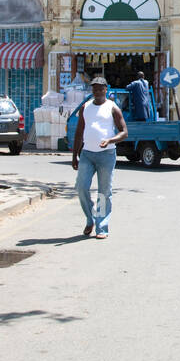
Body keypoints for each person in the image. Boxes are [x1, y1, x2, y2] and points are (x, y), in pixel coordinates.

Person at [72, 76, 128, 239]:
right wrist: (75, 156)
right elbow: (78, 133)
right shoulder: (85, 108)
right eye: (94, 88)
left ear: (106, 90)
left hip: (107, 155)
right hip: (87, 154)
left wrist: (110, 140)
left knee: (104, 192)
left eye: (100, 88)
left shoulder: (112, 108)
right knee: (81, 187)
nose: (97, 91)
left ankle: (102, 226)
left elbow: (124, 132)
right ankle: (90, 219)